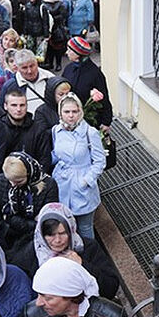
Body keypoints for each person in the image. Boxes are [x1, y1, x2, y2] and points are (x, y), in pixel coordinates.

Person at [11, 203, 119, 299]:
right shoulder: (31, 254)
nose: (57, 240)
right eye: (50, 235)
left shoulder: (87, 248)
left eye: (62, 233)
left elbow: (110, 288)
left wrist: (83, 264)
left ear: (71, 230)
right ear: (41, 235)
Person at [51, 95, 104, 240]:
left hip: (82, 184)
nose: (71, 116)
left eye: (74, 111)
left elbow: (100, 161)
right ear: (60, 112)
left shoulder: (89, 132)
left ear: (80, 112)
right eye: (67, 112)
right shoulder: (56, 130)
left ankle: (90, 257)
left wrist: (87, 180)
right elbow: (56, 154)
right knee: (65, 226)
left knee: (85, 228)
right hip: (62, 182)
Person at [0, 153, 58, 256]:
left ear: (29, 174)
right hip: (6, 238)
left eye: (18, 181)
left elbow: (47, 221)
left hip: (35, 239)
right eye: (10, 180)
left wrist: (11, 219)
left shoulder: (48, 185)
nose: (13, 184)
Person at [62, 37, 113, 131]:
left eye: (69, 50)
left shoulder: (95, 74)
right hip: (70, 119)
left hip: (90, 122)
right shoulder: (68, 69)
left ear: (77, 54)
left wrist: (106, 122)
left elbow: (104, 99)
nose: (66, 52)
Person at [0, 90, 52, 168]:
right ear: (5, 106)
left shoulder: (38, 129)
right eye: (14, 105)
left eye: (22, 105)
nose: (18, 109)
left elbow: (45, 159)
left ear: (27, 106)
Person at [41, 0, 68, 71]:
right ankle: (50, 63)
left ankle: (59, 63)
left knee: (58, 48)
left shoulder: (59, 3)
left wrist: (54, 18)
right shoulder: (43, 3)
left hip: (57, 28)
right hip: (47, 28)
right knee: (49, 48)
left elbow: (64, 15)